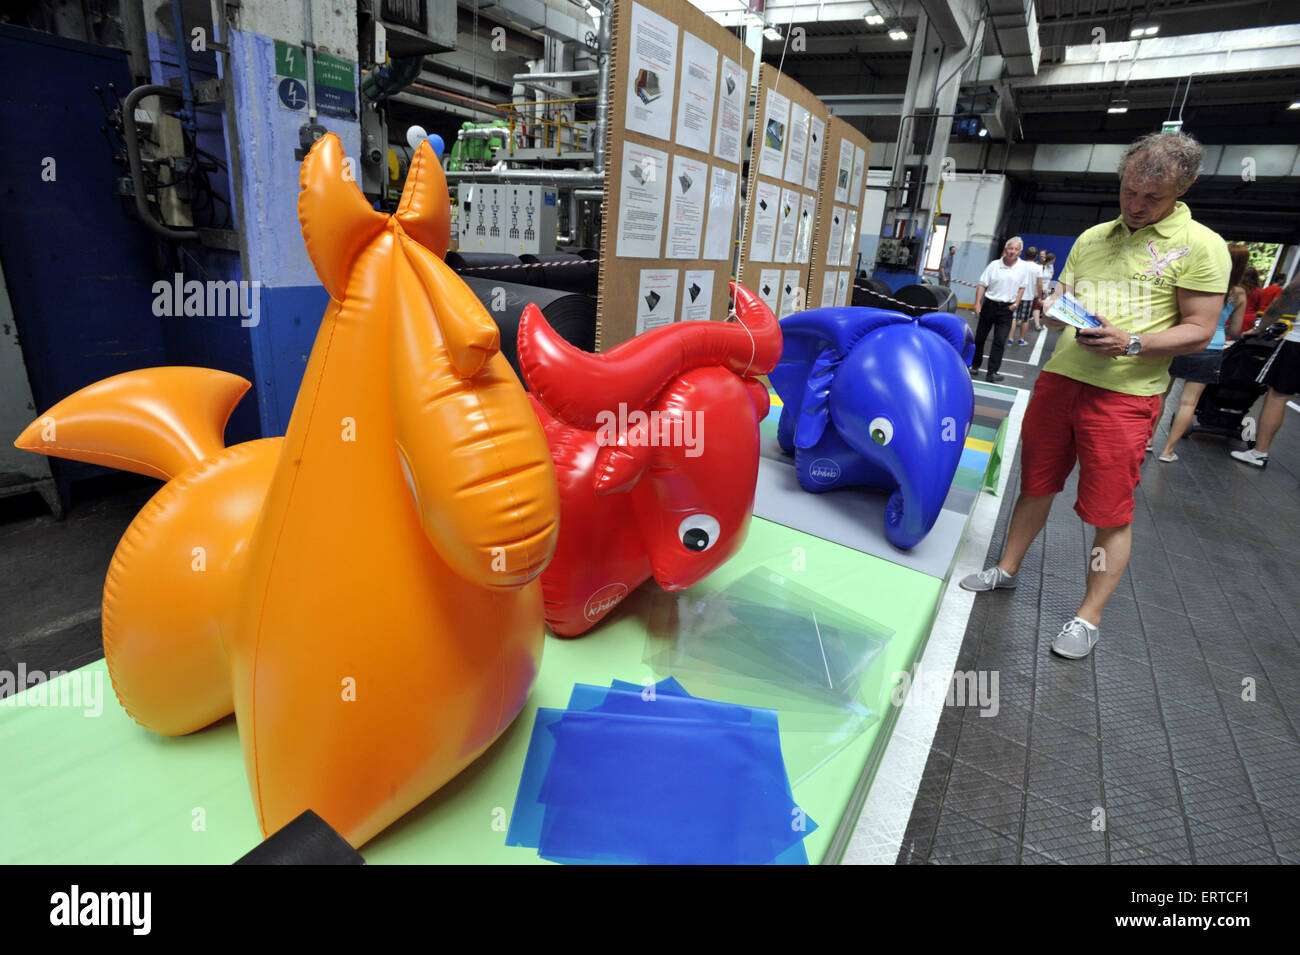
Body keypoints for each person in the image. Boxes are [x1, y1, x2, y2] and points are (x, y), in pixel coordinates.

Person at [960, 131, 1229, 661]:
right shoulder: (1093, 235)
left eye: (1152, 198)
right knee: (1035, 484)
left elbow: (1199, 329)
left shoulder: (1201, 246)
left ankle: (1088, 617)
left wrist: (1133, 342)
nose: (1135, 204)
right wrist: (1054, 302)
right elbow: (1065, 289)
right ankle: (1007, 568)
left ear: (1184, 187)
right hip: (1061, 380)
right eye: (1129, 190)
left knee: (1110, 510)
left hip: (1125, 397)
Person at [1155, 243, 1248, 461]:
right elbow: (1235, 330)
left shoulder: (1201, 281)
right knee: (1189, 402)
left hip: (1182, 340)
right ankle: (1168, 451)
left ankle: (1148, 441)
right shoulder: (1239, 294)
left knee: (1161, 393)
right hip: (1211, 345)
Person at [1230, 273, 1300, 468]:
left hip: (1298, 344)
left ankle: (1259, 453)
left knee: (1278, 396)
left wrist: (1261, 328)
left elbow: (1290, 295)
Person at [971, 237, 1028, 383]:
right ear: (1005, 249)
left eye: (1016, 249)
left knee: (1000, 341)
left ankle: (992, 372)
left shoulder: (1022, 268)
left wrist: (1015, 304)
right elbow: (982, 284)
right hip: (990, 305)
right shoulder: (994, 265)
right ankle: (975, 366)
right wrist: (977, 303)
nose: (1012, 252)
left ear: (1020, 252)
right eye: (1010, 248)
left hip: (1006, 309)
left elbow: (1022, 287)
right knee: (980, 338)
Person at [1008, 246, 1039, 346]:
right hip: (1029, 296)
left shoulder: (1020, 264)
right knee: (1025, 319)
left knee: (1013, 318)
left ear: (1025, 254)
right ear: (1036, 256)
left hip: (1016, 295)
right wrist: (1039, 295)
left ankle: (1010, 339)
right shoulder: (1038, 267)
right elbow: (1040, 283)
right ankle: (1021, 340)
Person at [1032, 252, 1056, 332]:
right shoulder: (1042, 267)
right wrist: (1040, 290)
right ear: (1051, 259)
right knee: (1036, 306)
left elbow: (1047, 280)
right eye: (1054, 260)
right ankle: (1037, 325)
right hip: (1038, 289)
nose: (1054, 261)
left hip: (1044, 289)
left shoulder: (1049, 267)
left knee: (1037, 306)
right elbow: (1039, 280)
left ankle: (1021, 320)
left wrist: (1047, 290)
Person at [1241, 267, 1262, 334]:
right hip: (1250, 318)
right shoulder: (1258, 291)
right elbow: (1257, 307)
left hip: (1234, 317)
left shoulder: (1238, 289)